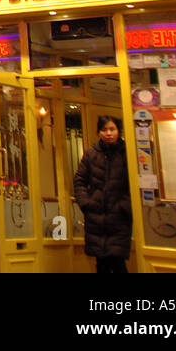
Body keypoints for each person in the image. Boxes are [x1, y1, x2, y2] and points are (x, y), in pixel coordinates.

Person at [74, 115, 133, 273]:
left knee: (118, 262)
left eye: (112, 129)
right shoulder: (91, 153)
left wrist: (125, 206)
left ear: (118, 131)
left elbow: (134, 183)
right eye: (104, 129)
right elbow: (79, 180)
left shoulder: (127, 153)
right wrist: (86, 204)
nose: (108, 133)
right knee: (101, 263)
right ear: (98, 132)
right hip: (96, 218)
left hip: (119, 218)